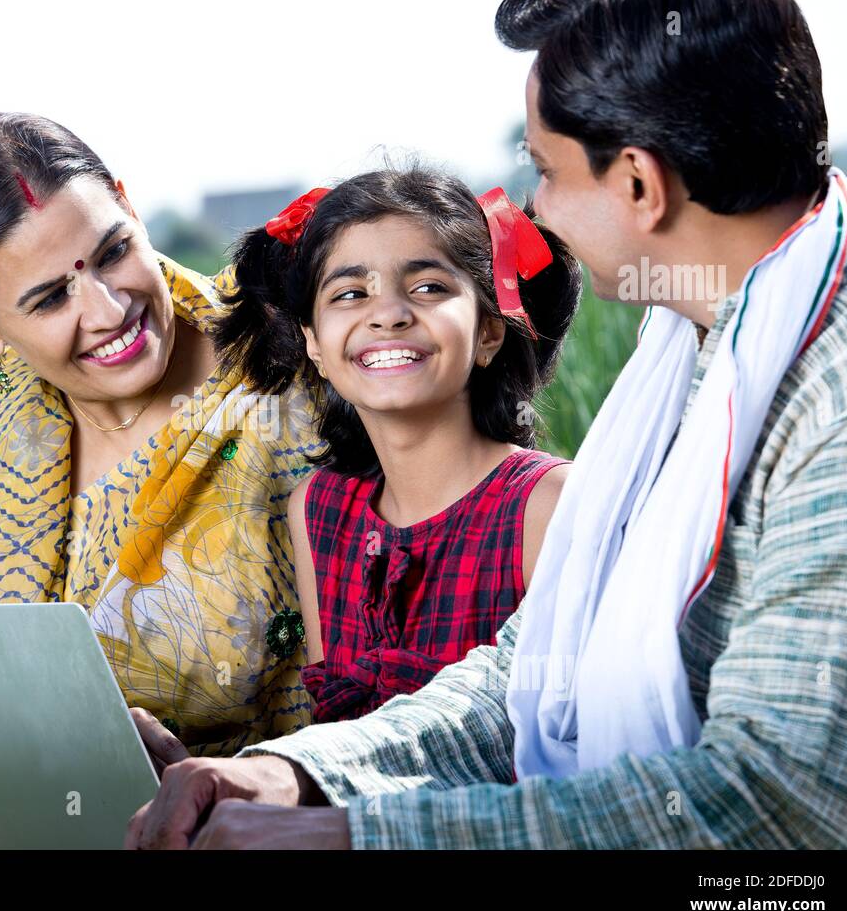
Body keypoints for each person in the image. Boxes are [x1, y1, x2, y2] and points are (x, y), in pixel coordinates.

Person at [126, 0, 847, 849]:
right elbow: (540, 662)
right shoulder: (705, 336)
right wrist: (292, 772)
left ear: (639, 184)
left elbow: (784, 802)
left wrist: (358, 836)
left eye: (547, 171)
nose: (538, 210)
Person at [0, 113, 326, 849]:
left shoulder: (293, 365)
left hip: (247, 812)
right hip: (12, 810)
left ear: (129, 204)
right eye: (49, 299)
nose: (106, 309)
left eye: (114, 252)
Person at [210, 164, 576, 723]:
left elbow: (575, 739)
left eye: (428, 287)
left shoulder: (549, 506)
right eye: (351, 293)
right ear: (314, 344)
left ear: (488, 332)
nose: (387, 315)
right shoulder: (319, 509)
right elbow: (332, 736)